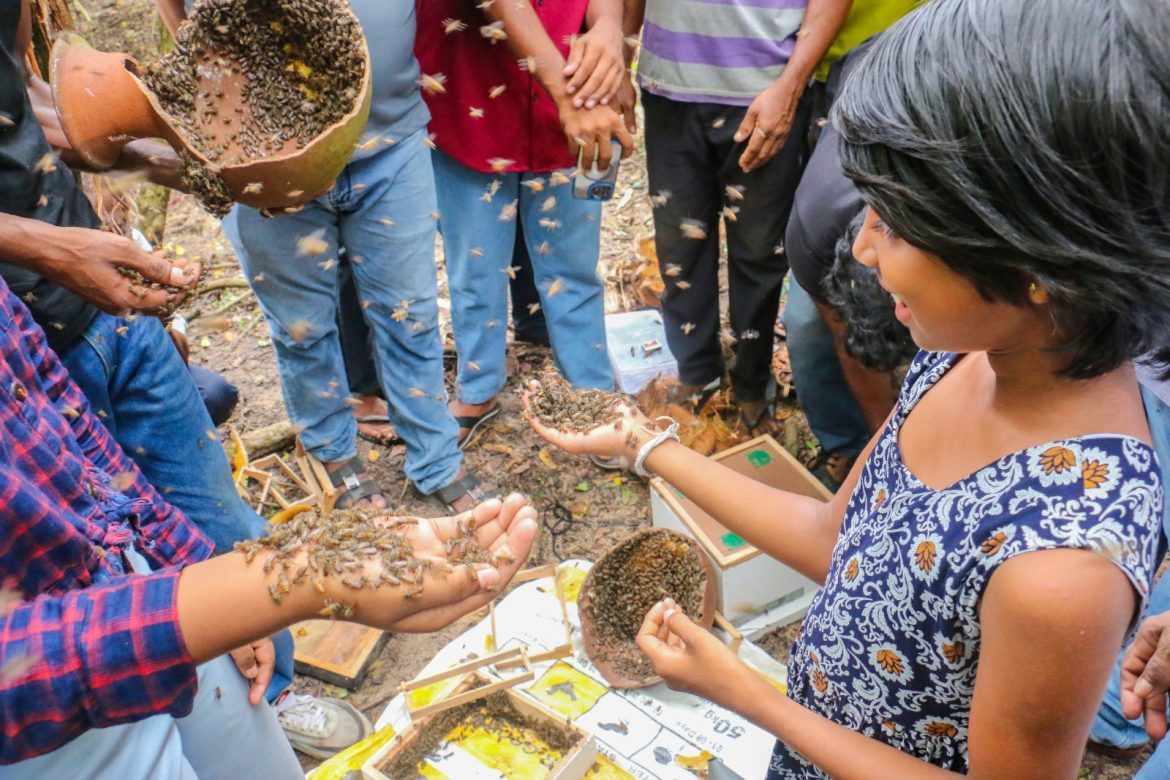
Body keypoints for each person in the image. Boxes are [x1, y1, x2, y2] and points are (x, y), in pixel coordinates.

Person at [526, 0, 1170, 774]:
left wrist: (748, 695)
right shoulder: (972, 355)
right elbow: (838, 540)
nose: (863, 247)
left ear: (1038, 265)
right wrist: (643, 444)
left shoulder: (1063, 568)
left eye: (895, 224)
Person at [0, 260, 538, 775]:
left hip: (137, 580)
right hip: (44, 714)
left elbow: (76, 440)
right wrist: (277, 584)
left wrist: (208, 589)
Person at [160, 0, 495, 514]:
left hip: (390, 141)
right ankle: (333, 456)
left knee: (410, 315)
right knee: (302, 328)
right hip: (258, 154)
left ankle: (436, 458)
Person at [619, 0, 849, 432]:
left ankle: (751, 384)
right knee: (679, 247)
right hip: (670, 88)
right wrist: (621, 58)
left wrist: (790, 87)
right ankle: (696, 372)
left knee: (760, 251)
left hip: (766, 91)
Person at [414, 0, 633, 450]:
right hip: (470, 99)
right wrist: (568, 97)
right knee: (475, 264)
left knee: (574, 266)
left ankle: (593, 398)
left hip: (582, 101)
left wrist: (611, 34)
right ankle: (477, 388)